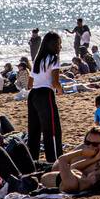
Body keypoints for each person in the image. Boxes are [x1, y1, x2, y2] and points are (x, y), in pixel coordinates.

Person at [28, 31, 65, 163]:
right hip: (45, 94)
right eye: (59, 43)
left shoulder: (37, 59)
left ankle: (33, 160)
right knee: (52, 130)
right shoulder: (54, 58)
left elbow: (29, 83)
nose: (60, 46)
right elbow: (55, 83)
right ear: (54, 45)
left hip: (33, 95)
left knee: (34, 130)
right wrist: (60, 90)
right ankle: (54, 160)